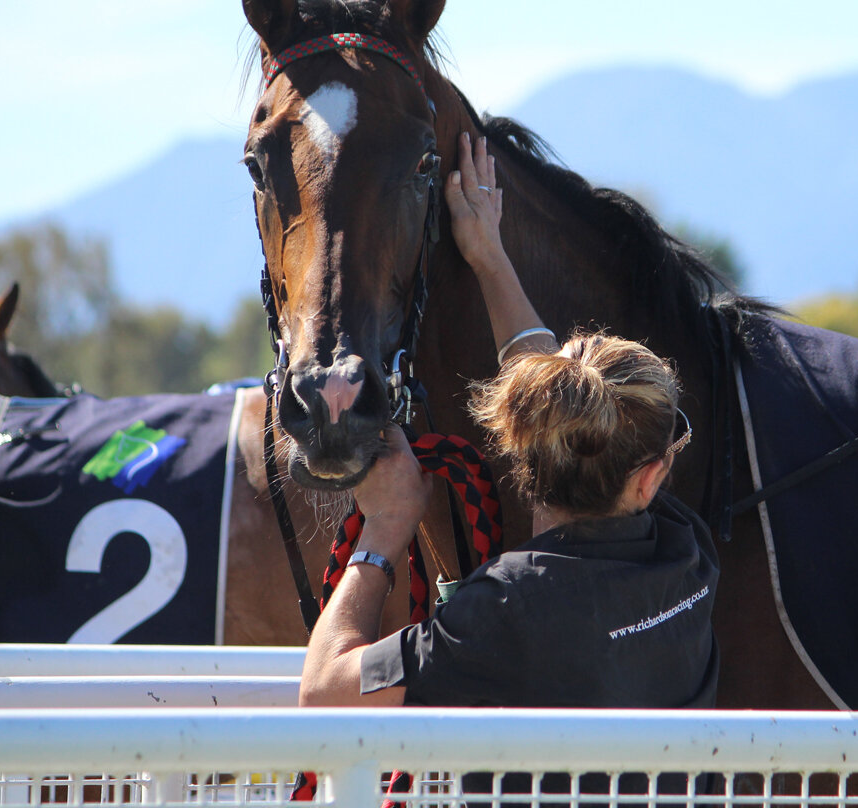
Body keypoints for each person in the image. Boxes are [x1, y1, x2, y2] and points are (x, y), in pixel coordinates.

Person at [299, 133, 719, 710]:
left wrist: (385, 528)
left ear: (527, 447)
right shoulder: (685, 555)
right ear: (648, 480)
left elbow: (325, 692)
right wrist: (488, 257)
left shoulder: (504, 609)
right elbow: (558, 400)